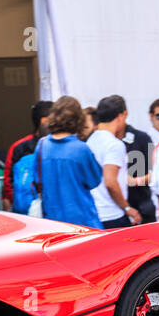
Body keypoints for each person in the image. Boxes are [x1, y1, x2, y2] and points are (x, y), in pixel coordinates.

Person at [29, 96, 103, 229]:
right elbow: (94, 180)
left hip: (51, 221)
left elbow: (36, 180)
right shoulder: (81, 149)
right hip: (82, 220)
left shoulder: (41, 145)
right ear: (78, 120)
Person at [85, 95, 143, 228]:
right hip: (112, 214)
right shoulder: (114, 144)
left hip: (94, 212)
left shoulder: (90, 140)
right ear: (121, 116)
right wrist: (127, 208)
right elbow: (110, 182)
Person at [3, 101, 52, 213]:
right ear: (44, 121)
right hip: (28, 211)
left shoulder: (17, 146)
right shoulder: (19, 148)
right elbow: (8, 182)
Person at [123, 116, 156, 223]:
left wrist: (136, 181)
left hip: (143, 205)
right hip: (120, 209)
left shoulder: (143, 138)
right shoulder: (107, 140)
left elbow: (156, 174)